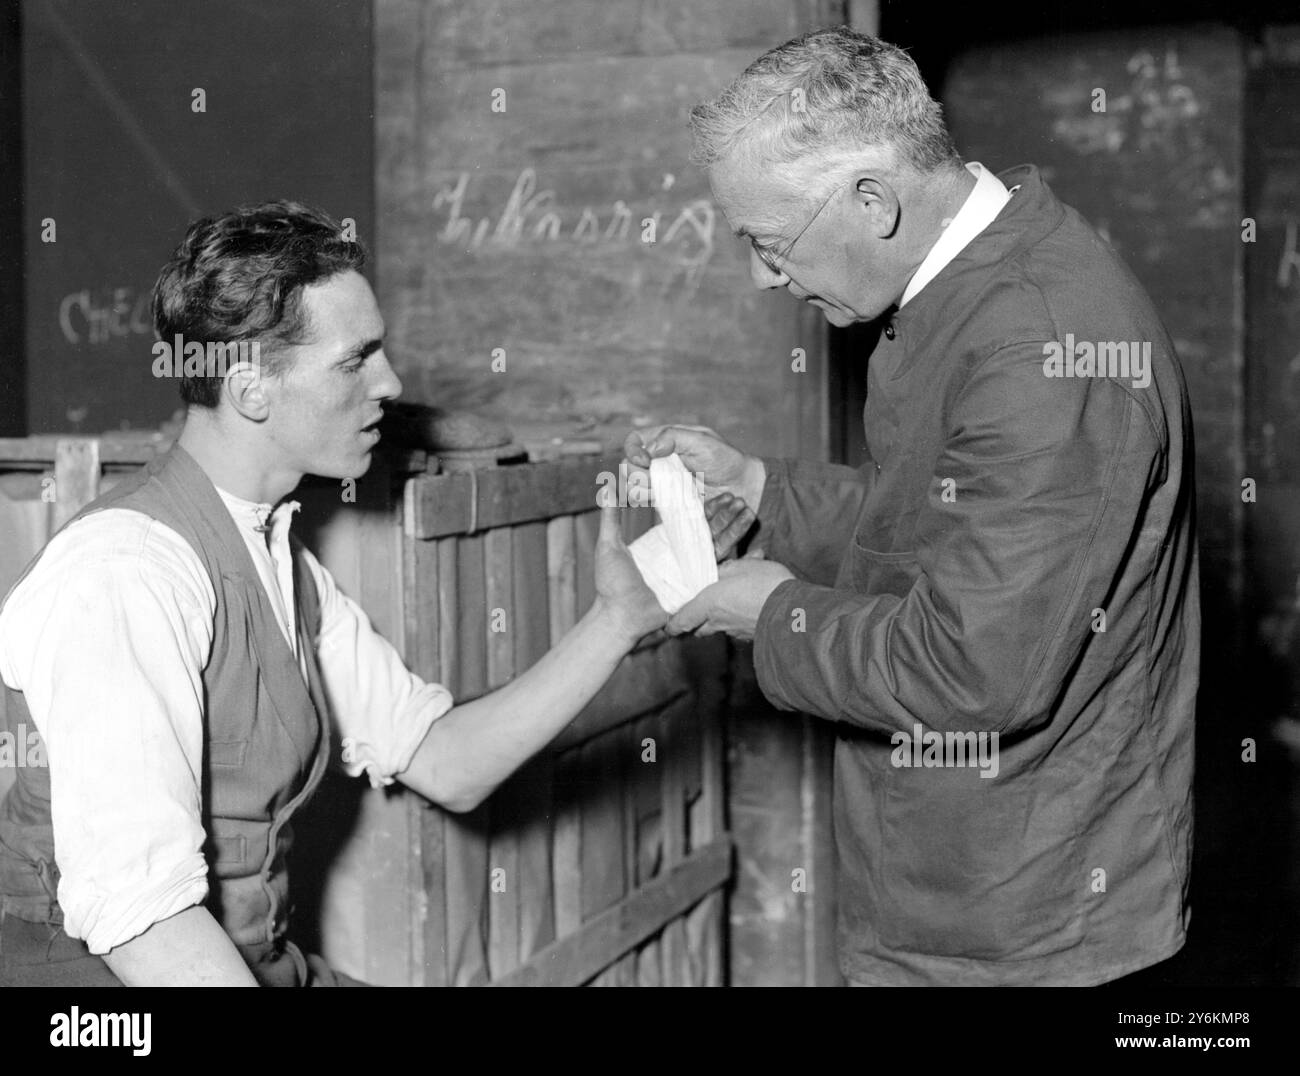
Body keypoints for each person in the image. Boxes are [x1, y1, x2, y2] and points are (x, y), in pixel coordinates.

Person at [626, 27, 1199, 986]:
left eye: (770, 244)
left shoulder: (1037, 350)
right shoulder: (967, 286)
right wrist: (767, 489)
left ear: (875, 200)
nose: (764, 277)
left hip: (1024, 918)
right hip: (958, 873)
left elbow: (972, 673)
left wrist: (768, 612)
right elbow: (950, 521)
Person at [0, 201, 671, 987]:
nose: (389, 384)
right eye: (356, 361)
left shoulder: (277, 556)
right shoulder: (124, 571)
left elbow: (449, 762)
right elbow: (146, 924)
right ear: (252, 392)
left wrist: (621, 617)